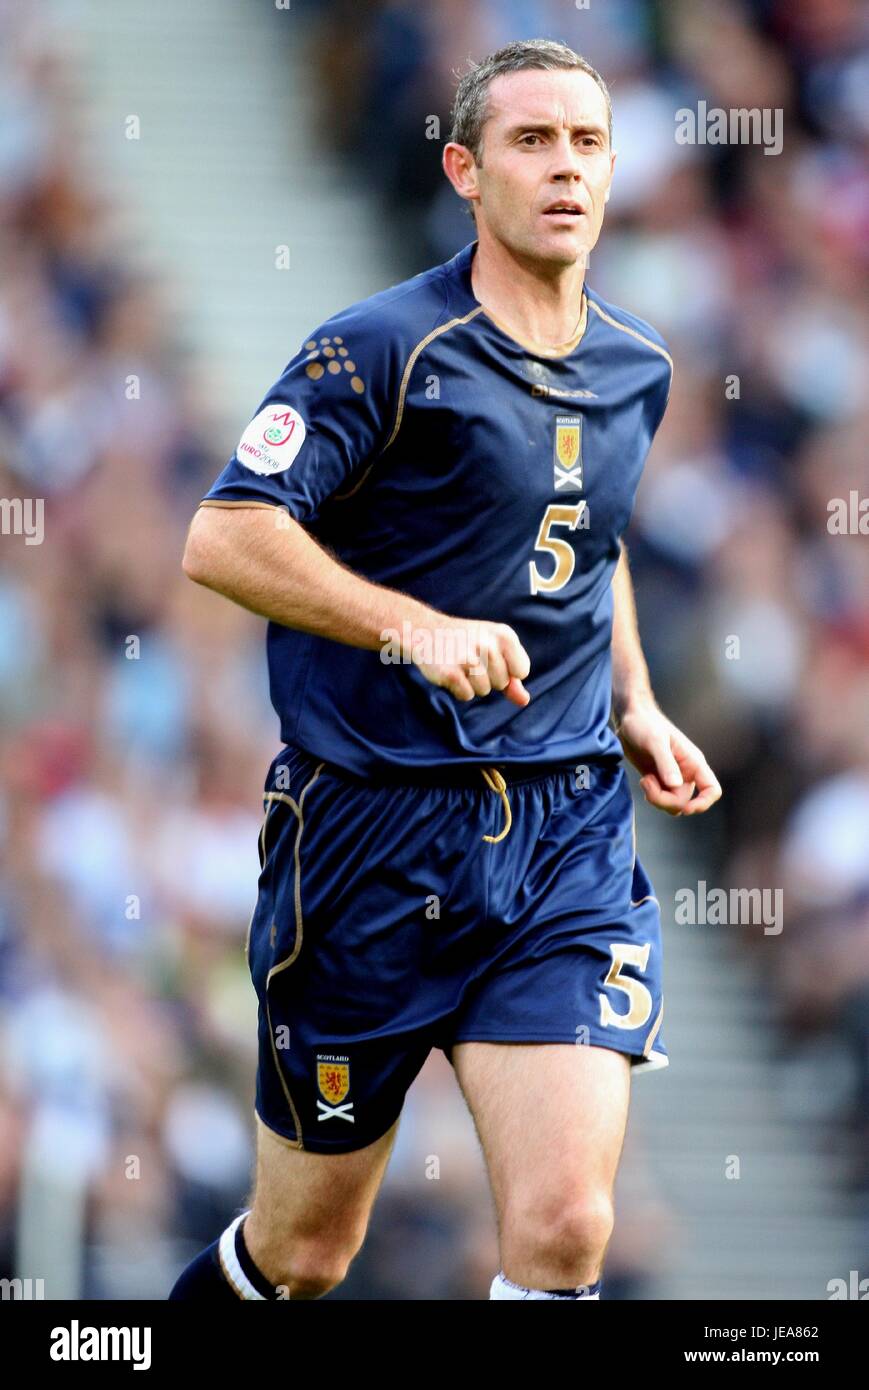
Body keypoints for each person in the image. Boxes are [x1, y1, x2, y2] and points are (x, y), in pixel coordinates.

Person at [170, 37, 721, 1303]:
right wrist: (406, 624)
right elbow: (223, 533)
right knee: (305, 1254)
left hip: (562, 826)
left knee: (569, 1227)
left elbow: (593, 538)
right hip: (368, 833)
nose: (564, 167)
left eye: (586, 141)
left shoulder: (639, 364)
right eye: (531, 142)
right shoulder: (383, 348)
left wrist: (631, 696)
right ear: (467, 171)